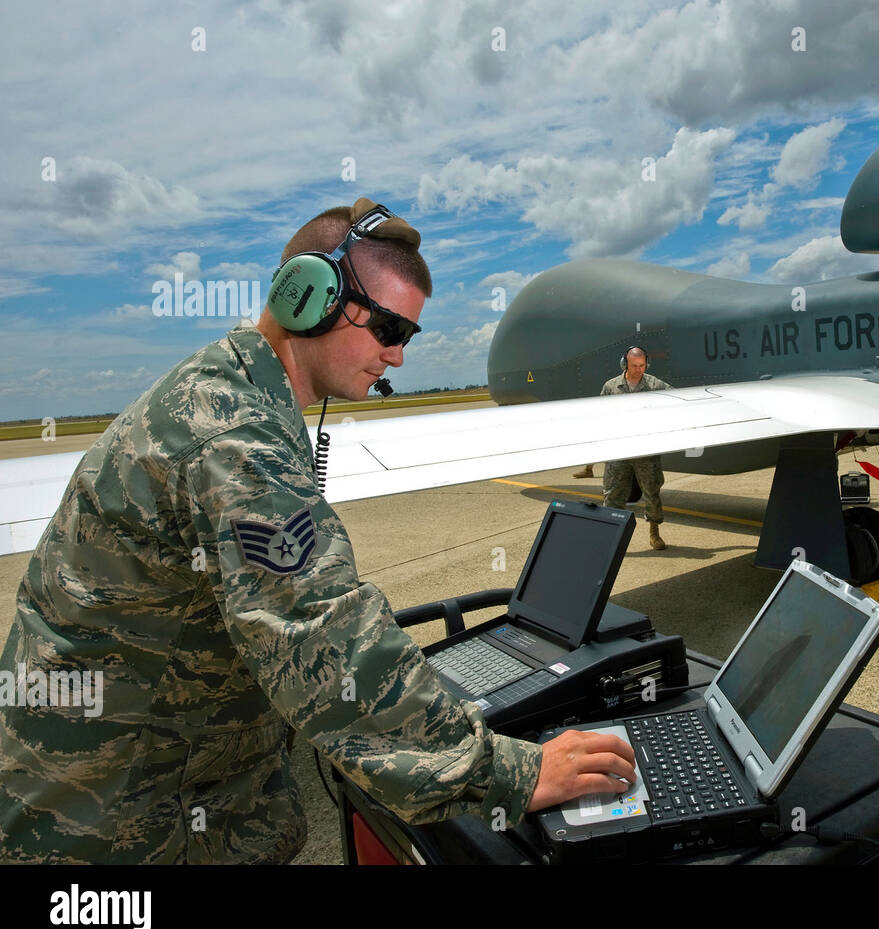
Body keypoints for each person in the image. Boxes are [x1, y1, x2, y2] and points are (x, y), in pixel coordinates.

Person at [0, 198, 634, 863]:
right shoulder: (231, 434)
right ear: (310, 299)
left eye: (408, 336)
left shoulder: (236, 393)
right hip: (109, 825)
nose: (396, 356)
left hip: (152, 783)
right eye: (388, 327)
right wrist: (513, 774)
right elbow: (319, 634)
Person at [600, 347, 672, 550]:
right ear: (625, 363)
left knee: (652, 492)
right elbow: (600, 416)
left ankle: (654, 533)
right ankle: (610, 537)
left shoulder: (655, 385)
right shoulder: (611, 387)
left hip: (646, 451)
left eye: (642, 366)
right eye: (634, 366)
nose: (639, 370)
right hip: (619, 450)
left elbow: (677, 399)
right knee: (612, 494)